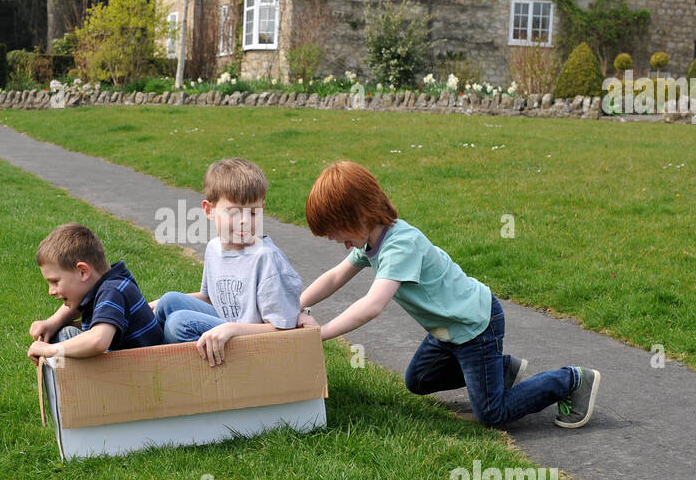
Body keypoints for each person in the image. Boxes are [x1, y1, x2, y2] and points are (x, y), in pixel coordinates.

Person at [299, 160, 601, 429]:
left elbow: (372, 305)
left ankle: (572, 380)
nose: (334, 239)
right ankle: (500, 370)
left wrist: (320, 334)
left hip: (474, 327)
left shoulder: (400, 244)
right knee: (417, 380)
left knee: (493, 414)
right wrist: (294, 305)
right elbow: (335, 276)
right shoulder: (370, 242)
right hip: (447, 331)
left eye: (336, 230)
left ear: (360, 214)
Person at [151, 158, 305, 366]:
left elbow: (282, 330)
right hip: (228, 326)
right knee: (169, 301)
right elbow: (211, 298)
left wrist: (231, 329)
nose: (245, 220)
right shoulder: (214, 248)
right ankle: (147, 359)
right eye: (234, 212)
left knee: (178, 324)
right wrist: (159, 303)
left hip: (252, 346)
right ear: (209, 210)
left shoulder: (266, 258)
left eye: (252, 212)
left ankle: (186, 374)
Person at [27, 223, 161, 362]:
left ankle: (65, 383)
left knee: (62, 339)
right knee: (60, 335)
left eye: (55, 281)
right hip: (133, 365)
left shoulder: (113, 291)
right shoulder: (109, 283)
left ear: (83, 272)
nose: (51, 291)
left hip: (144, 369)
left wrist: (48, 350)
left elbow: (98, 341)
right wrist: (52, 323)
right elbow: (78, 306)